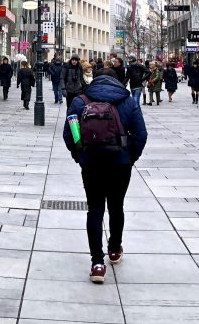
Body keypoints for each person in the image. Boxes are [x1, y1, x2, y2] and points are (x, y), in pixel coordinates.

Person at [62, 70, 148, 282]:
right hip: (120, 163)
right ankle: (114, 249)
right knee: (116, 206)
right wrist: (130, 157)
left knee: (95, 209)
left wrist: (79, 155)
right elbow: (141, 135)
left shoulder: (80, 101)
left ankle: (97, 263)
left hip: (91, 163)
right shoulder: (128, 102)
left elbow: (70, 134)